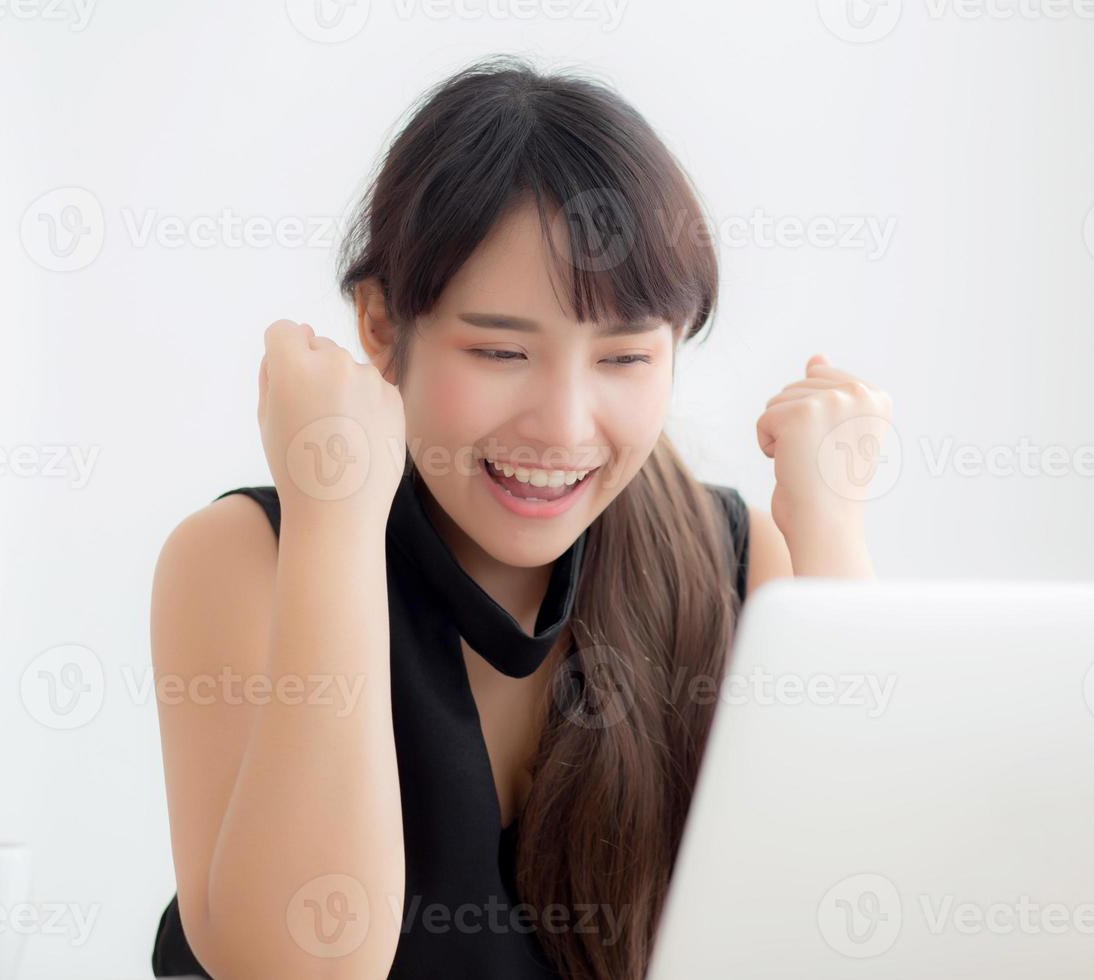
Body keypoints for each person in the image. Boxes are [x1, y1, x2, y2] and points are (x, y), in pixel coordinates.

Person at [149, 55, 889, 980]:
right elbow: (301, 966)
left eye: (624, 360)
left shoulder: (734, 562)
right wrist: (334, 516)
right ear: (381, 326)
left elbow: (853, 926)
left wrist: (831, 538)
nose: (564, 427)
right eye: (501, 350)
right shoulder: (244, 558)